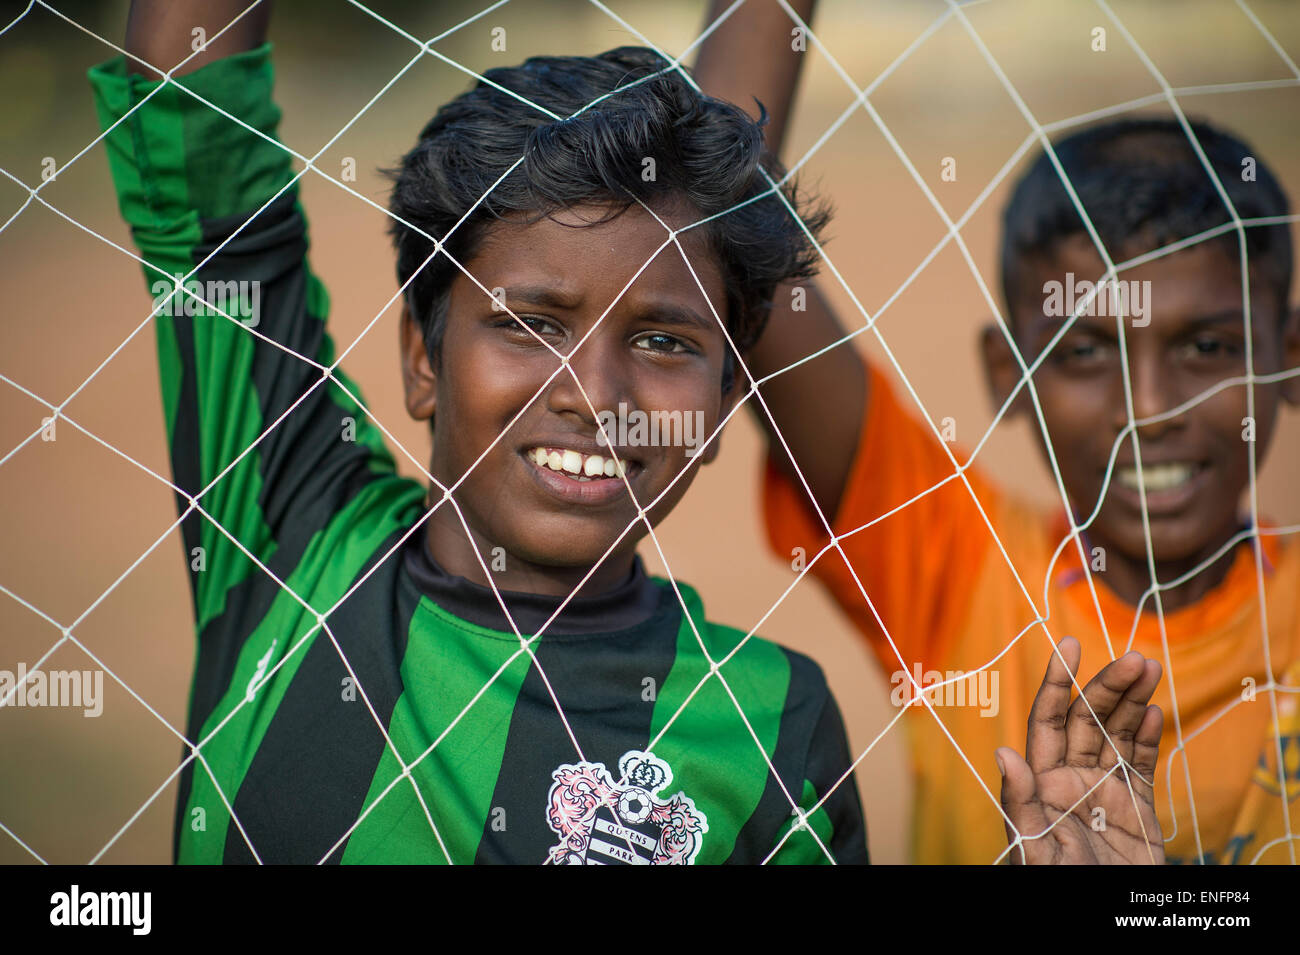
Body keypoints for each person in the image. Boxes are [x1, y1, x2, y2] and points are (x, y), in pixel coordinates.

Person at [88, 0, 1163, 865]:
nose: (593, 390)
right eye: (529, 323)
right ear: (423, 360)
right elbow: (191, 109)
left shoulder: (769, 725)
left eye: (661, 342)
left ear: (727, 397)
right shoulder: (282, 523)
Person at [696, 1, 1300, 865]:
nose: (1149, 406)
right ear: (1006, 373)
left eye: (1207, 345)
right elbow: (720, 209)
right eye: (1087, 350)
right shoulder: (955, 564)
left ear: (1289, 353)